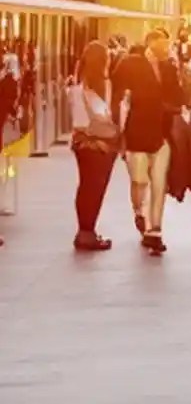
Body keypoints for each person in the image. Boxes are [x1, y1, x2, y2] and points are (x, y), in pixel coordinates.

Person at [110, 27, 185, 255]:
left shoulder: (169, 68)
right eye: (162, 44)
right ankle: (139, 212)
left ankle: (155, 230)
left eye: (167, 45)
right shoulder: (131, 64)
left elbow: (178, 97)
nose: (166, 49)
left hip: (162, 133)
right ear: (150, 43)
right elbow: (116, 95)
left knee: (159, 181)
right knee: (140, 180)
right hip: (136, 133)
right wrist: (117, 128)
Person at [69, 41, 118, 251]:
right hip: (96, 145)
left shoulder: (79, 86)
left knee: (87, 187)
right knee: (93, 189)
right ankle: (86, 232)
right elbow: (90, 120)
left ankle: (86, 230)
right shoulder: (93, 88)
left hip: (87, 144)